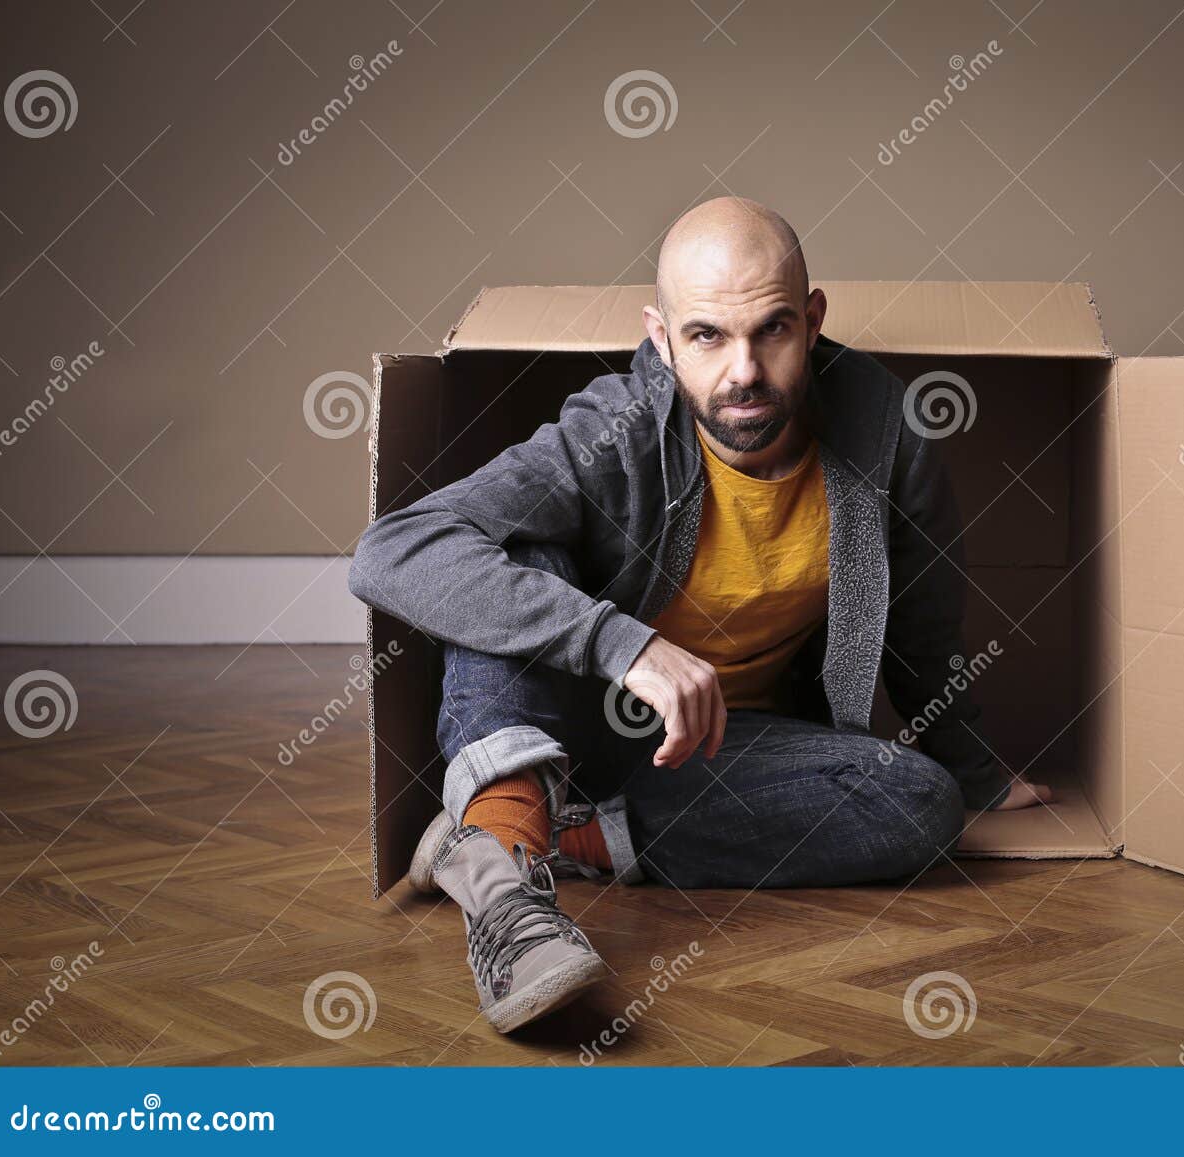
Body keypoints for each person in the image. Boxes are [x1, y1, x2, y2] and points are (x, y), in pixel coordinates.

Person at [347, 196, 1051, 1032]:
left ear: (813, 320)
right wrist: (621, 643)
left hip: (719, 753)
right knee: (516, 554)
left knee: (922, 805)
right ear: (661, 335)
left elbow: (924, 632)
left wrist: (973, 768)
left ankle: (535, 837)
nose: (744, 371)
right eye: (708, 336)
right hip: (559, 719)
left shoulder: (886, 434)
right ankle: (507, 892)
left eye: (774, 331)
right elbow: (390, 550)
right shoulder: (613, 429)